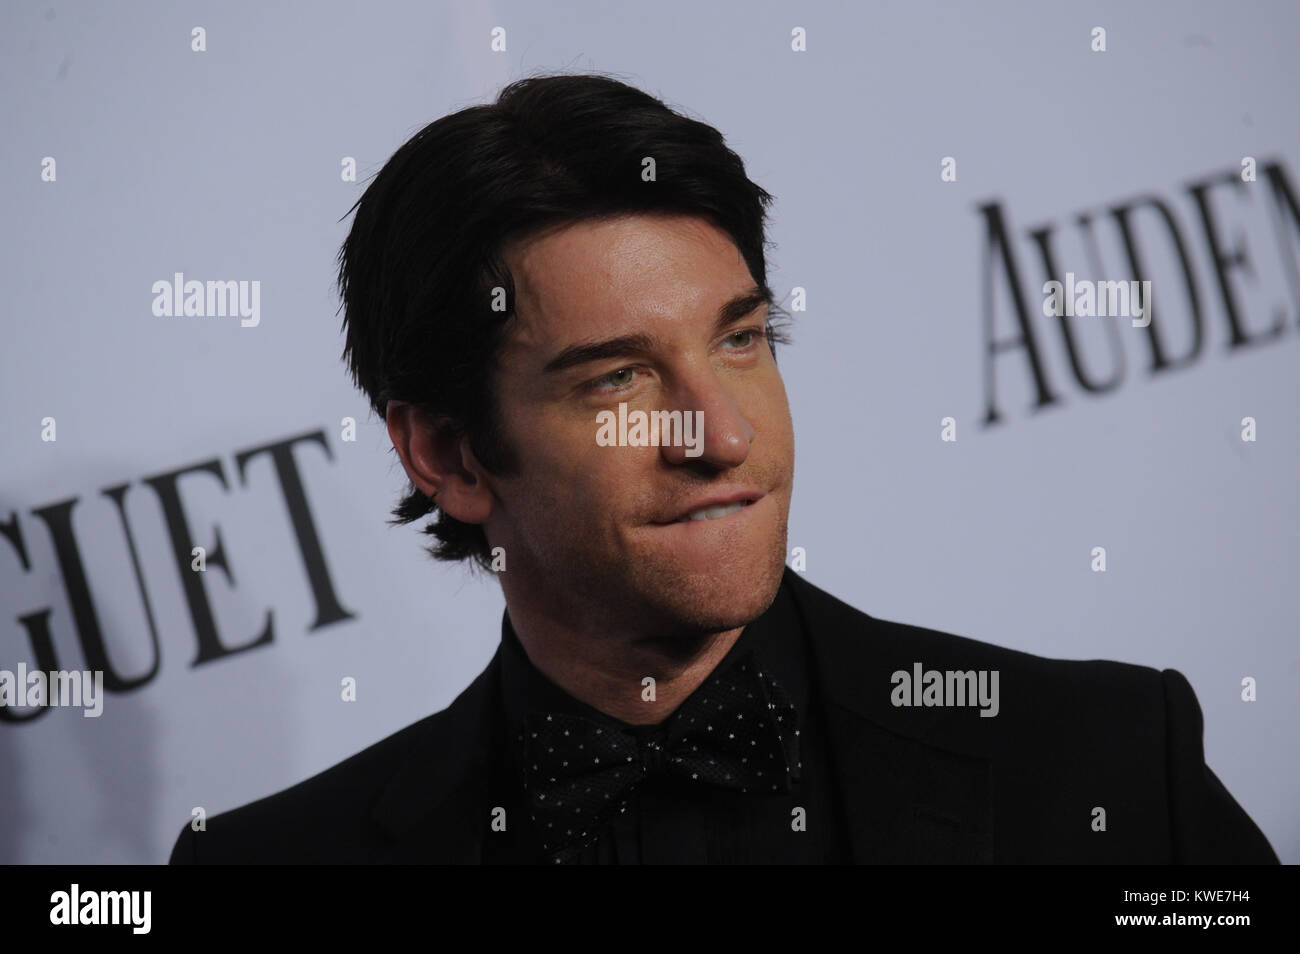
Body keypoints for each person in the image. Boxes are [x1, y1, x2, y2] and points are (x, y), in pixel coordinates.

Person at [169, 72, 1278, 864]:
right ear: (451, 457)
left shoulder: (1102, 763)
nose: (724, 436)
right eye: (616, 380)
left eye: (740, 340)